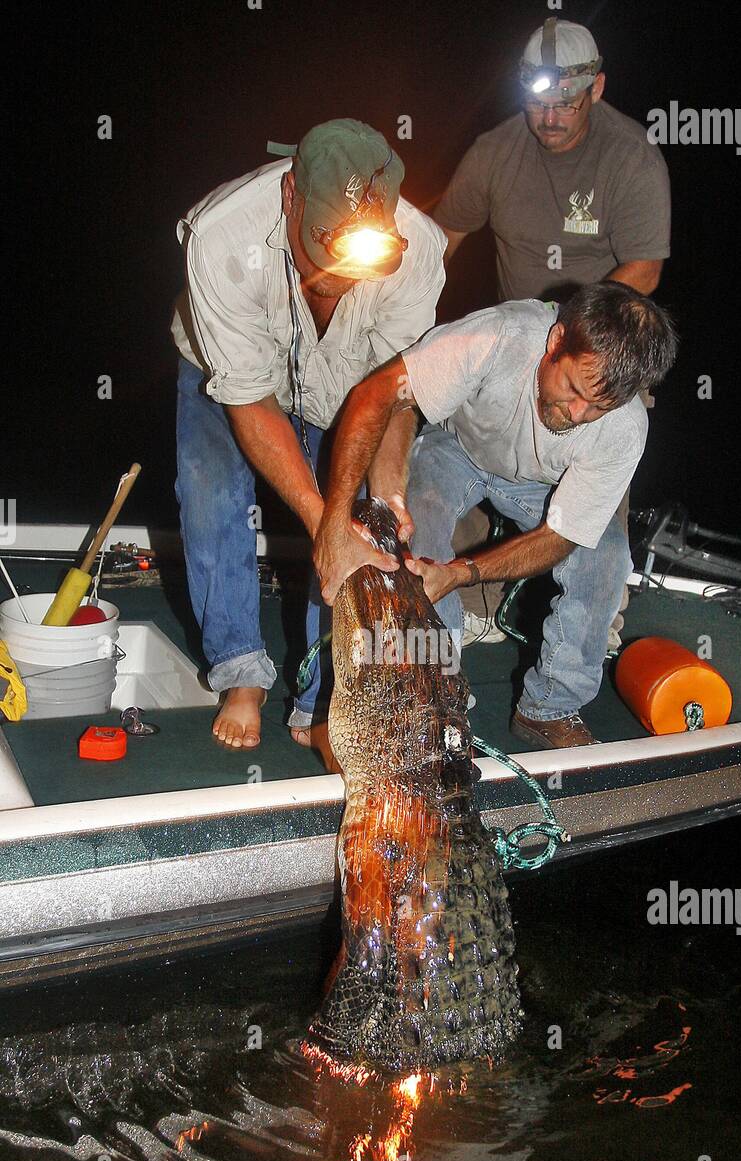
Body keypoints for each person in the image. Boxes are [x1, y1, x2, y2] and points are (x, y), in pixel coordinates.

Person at [171, 119, 446, 754]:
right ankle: (241, 673)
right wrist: (321, 520)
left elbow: (393, 395)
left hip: (342, 381)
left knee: (360, 526)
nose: (341, 279)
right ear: (292, 194)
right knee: (211, 489)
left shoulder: (420, 251)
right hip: (227, 370)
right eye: (327, 251)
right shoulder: (218, 237)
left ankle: (322, 700)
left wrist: (390, 495)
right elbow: (249, 402)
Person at [313, 283, 678, 749]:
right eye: (573, 388)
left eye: (599, 406)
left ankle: (551, 706)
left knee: (605, 557)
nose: (578, 413)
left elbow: (561, 536)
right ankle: (440, 696)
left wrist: (462, 573)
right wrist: (340, 517)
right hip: (457, 448)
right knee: (415, 530)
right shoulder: (498, 335)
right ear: (555, 341)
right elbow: (380, 394)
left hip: (541, 484)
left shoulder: (624, 428)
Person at [432, 17, 671, 647]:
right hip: (517, 346)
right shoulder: (492, 152)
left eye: (566, 102)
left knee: (595, 503)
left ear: (595, 89)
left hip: (598, 351)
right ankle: (466, 603)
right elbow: (439, 243)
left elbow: (644, 269)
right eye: (537, 103)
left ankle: (593, 619)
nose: (552, 118)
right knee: (447, 445)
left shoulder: (631, 156)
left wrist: (575, 333)